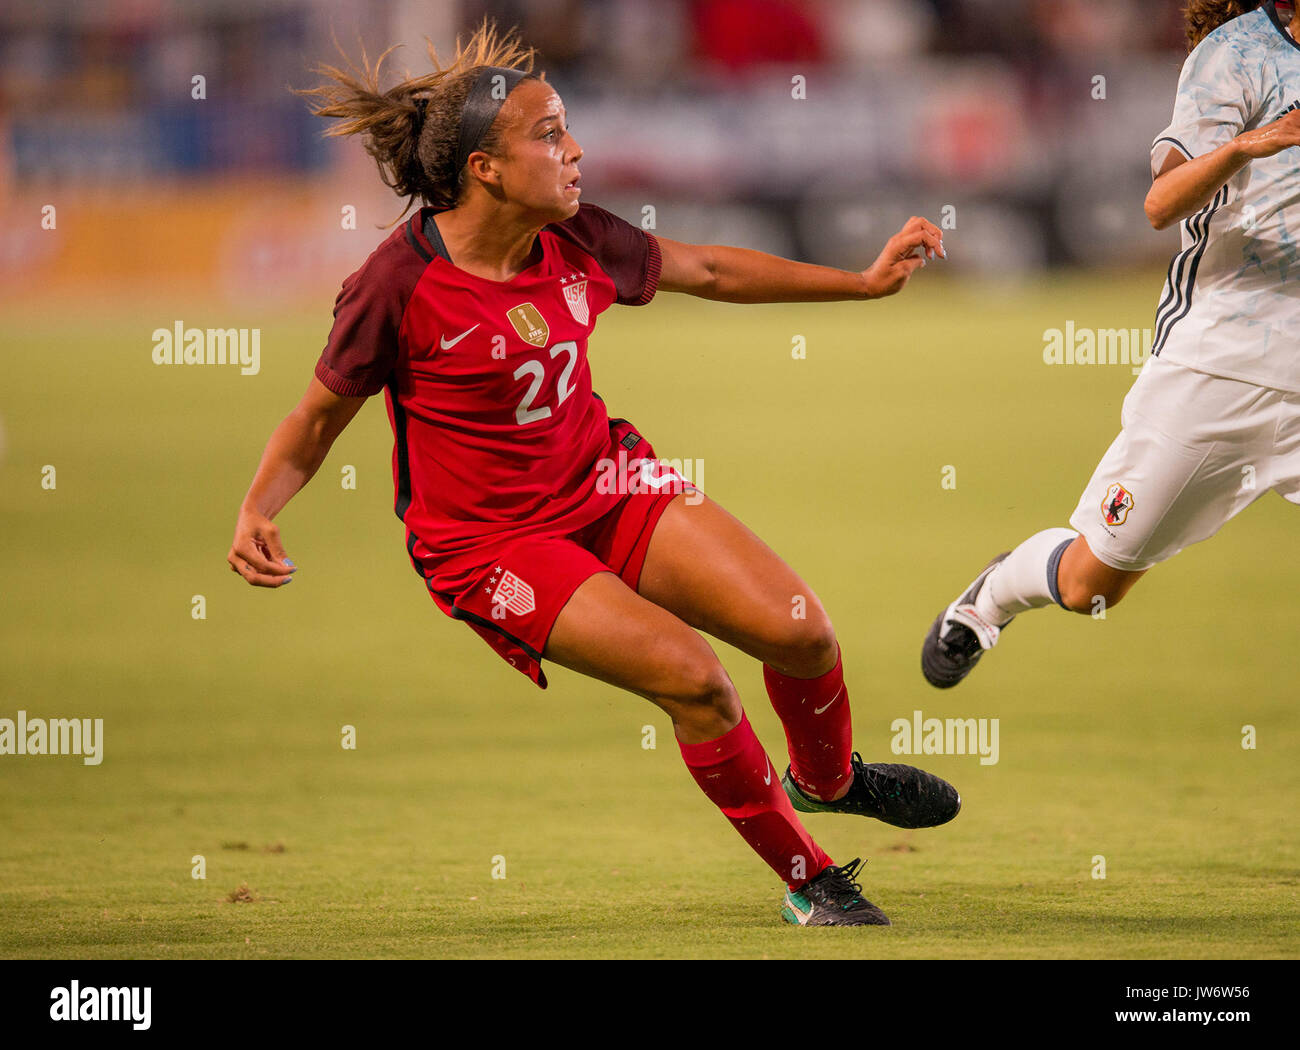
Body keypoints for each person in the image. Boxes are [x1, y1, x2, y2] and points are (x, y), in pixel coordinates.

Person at [229, 23, 958, 927]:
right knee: (696, 680)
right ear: (485, 169)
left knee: (801, 633)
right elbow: (316, 418)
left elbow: (712, 269)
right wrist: (260, 507)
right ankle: (813, 883)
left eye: (566, 127)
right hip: (493, 544)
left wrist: (860, 282)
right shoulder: (393, 285)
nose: (574, 149)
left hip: (609, 486)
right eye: (548, 134)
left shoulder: (575, 235)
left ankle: (829, 779)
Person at [922, 0, 1300, 689]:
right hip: (1220, 366)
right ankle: (996, 594)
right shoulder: (1235, 57)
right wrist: (1252, 144)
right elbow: (1162, 204)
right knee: (1091, 585)